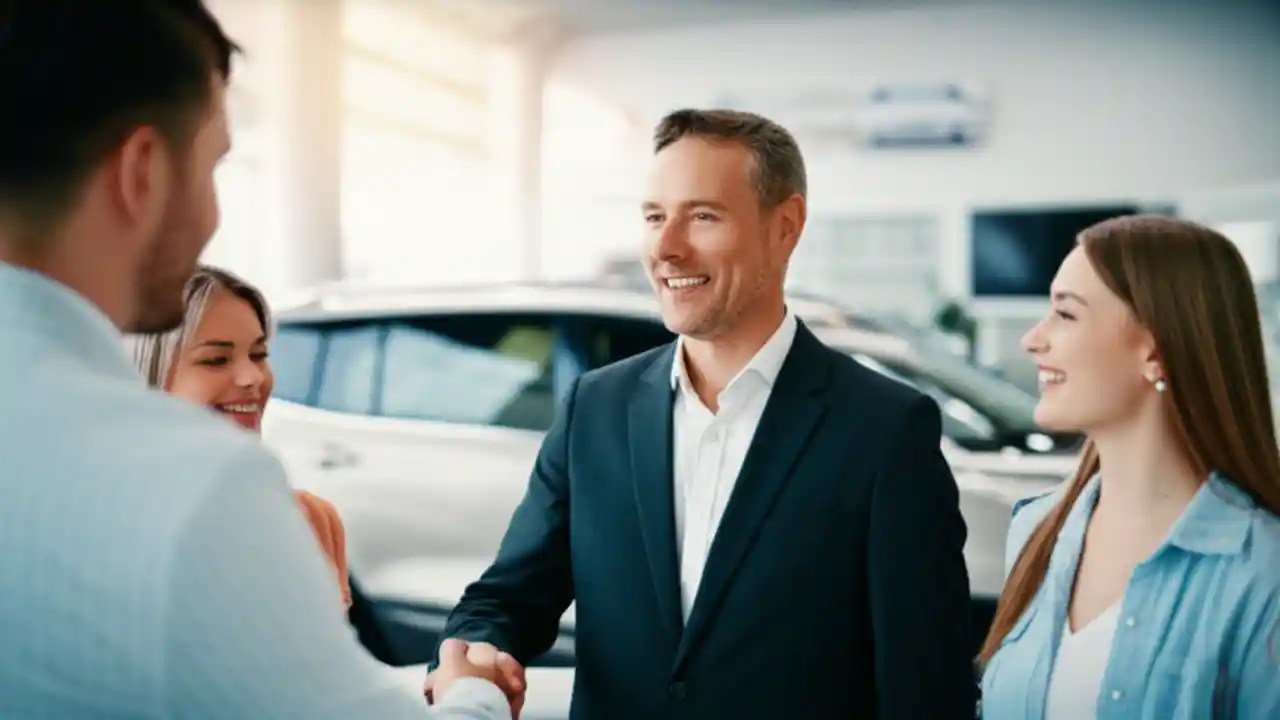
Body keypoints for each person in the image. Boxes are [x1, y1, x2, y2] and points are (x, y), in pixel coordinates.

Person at [0, 1, 516, 717]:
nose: (214, 216)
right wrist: (473, 693)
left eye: (257, 353)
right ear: (143, 173)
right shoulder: (191, 487)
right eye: (213, 167)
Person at [430, 109, 977, 718]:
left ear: (786, 226)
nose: (666, 248)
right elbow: (509, 595)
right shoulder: (597, 408)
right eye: (655, 217)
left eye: (703, 216)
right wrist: (474, 661)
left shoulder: (884, 430)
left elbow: (929, 687)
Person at [979, 216, 1280, 718]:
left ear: (1156, 349)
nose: (1032, 340)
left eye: (1066, 315)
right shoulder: (1036, 531)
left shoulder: (1260, 570)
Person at [131, 265, 352, 611]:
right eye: (216, 360)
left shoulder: (309, 520)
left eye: (259, 355)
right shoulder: (105, 537)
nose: (253, 377)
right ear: (146, 379)